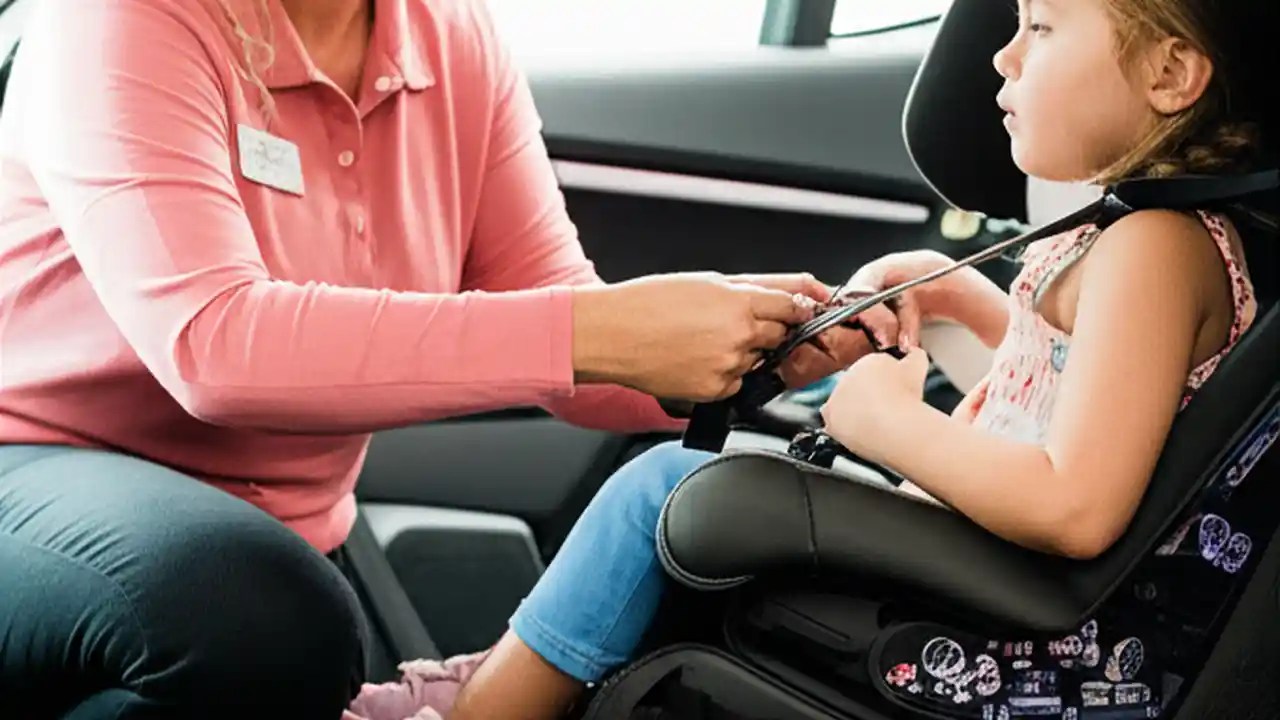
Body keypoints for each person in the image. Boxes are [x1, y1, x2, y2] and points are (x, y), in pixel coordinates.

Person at [0, 0, 880, 716]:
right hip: (38, 467)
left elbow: (570, 334)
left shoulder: (450, 36)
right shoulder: (119, 20)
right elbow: (214, 346)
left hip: (281, 536)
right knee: (252, 613)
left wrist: (769, 344)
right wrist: (598, 329)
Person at [445, 0, 1273, 717]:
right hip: (1000, 583)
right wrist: (953, 299)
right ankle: (504, 671)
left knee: (661, 491)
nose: (1002, 54)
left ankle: (479, 704)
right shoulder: (1140, 235)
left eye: (1042, 27)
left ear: (1170, 74)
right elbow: (1058, 402)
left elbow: (1074, 505)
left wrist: (887, 424)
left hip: (1031, 641)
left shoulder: (1154, 249)